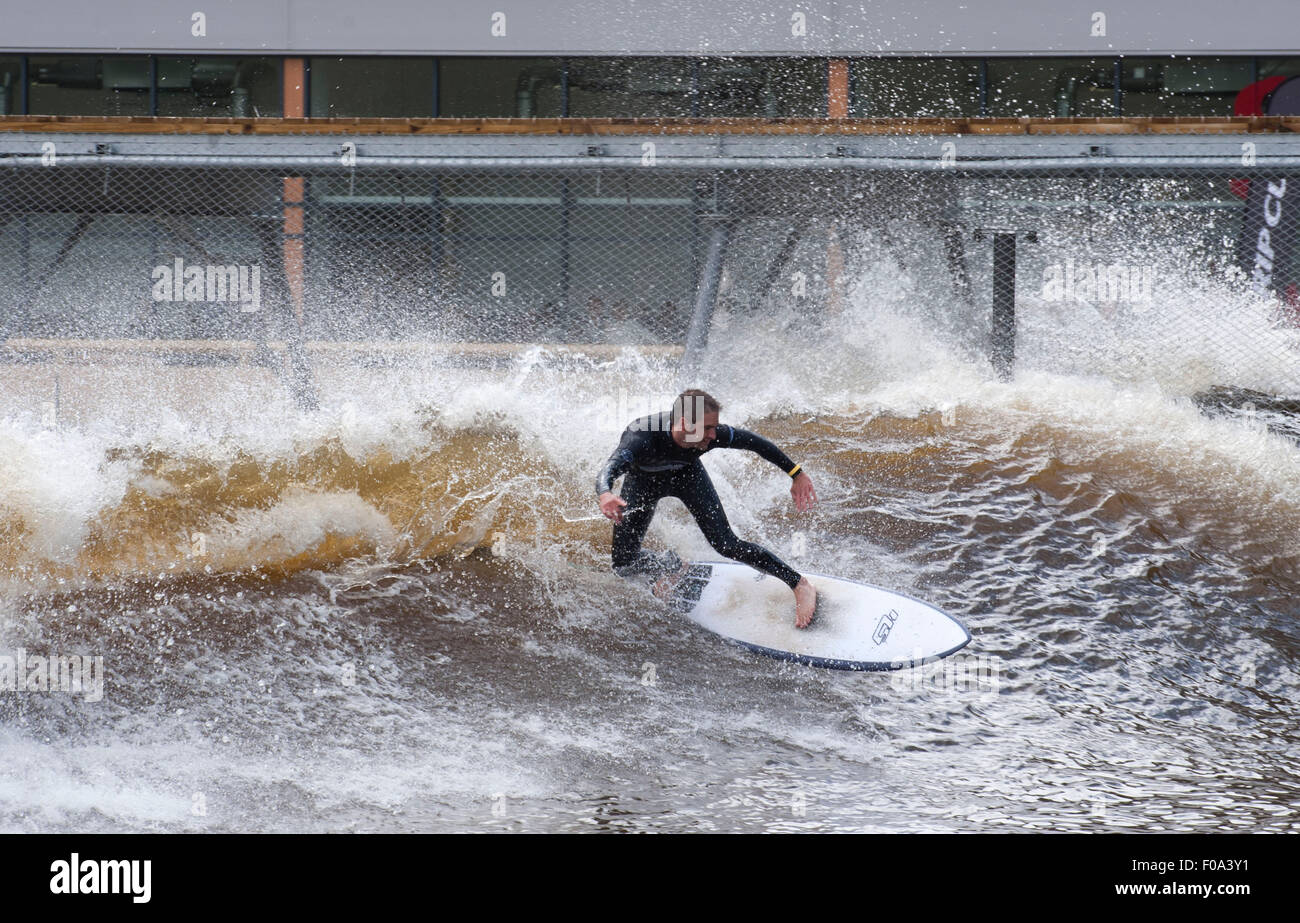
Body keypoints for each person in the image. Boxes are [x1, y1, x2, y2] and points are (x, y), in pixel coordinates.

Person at [596, 389, 819, 627]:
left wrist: (796, 474)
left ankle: (799, 584)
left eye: (715, 427)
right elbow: (610, 467)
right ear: (684, 423)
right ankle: (673, 566)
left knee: (726, 544)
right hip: (643, 484)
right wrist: (606, 494)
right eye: (708, 428)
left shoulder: (708, 435)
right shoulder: (641, 436)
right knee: (623, 564)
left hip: (687, 477)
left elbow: (756, 443)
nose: (713, 435)